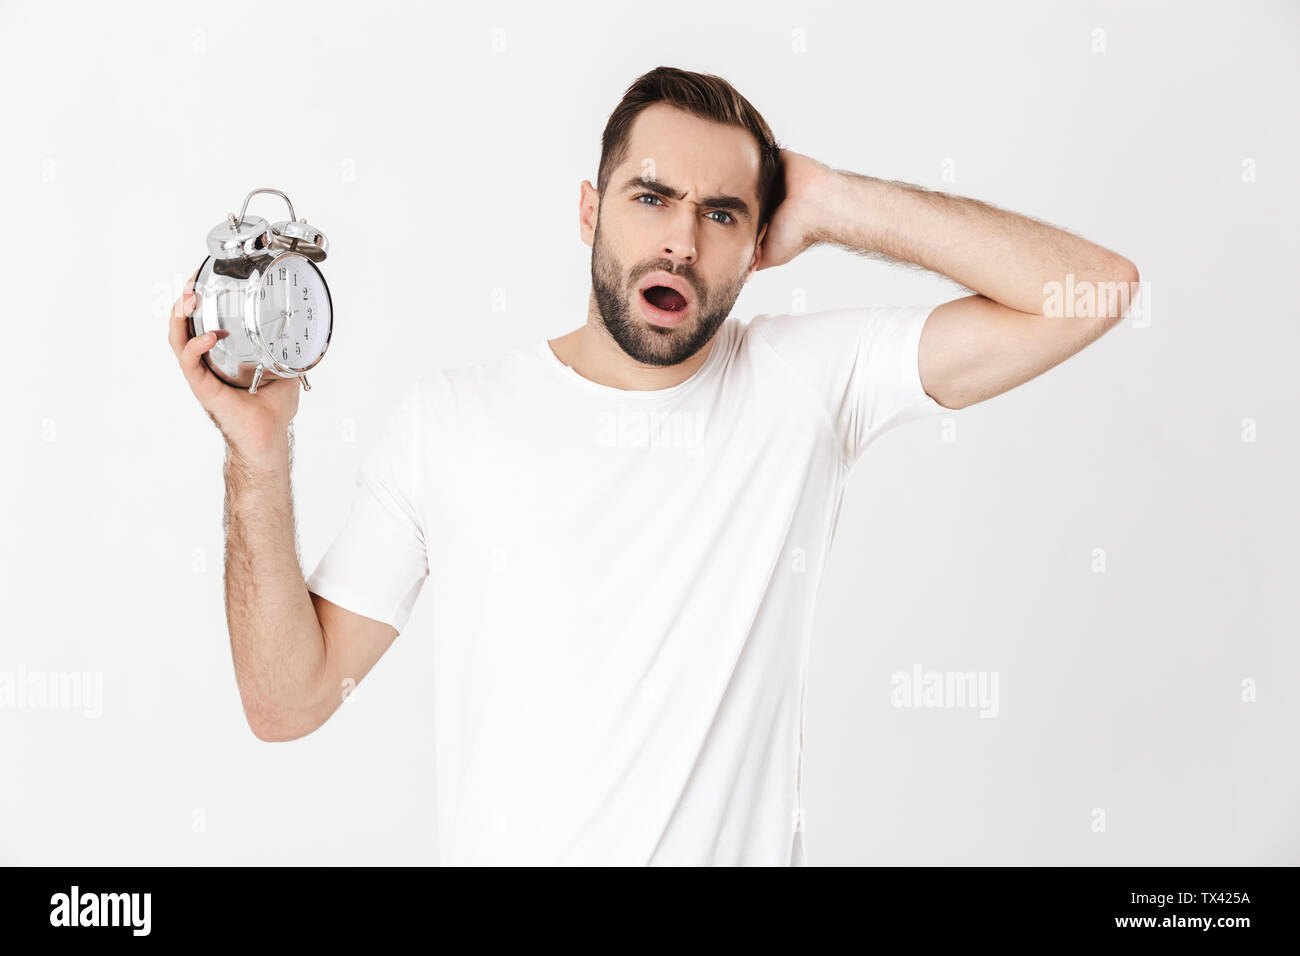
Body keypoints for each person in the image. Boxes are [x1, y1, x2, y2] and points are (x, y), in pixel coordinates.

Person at [166, 66, 1139, 865]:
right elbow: (288, 701)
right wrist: (258, 456)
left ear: (761, 246)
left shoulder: (804, 383)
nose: (680, 237)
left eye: (722, 214)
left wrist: (834, 201)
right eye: (651, 197)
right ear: (589, 210)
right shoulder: (451, 421)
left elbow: (1093, 291)